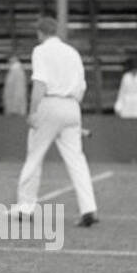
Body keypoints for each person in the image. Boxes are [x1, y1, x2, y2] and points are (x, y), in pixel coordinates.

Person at [11, 17, 98, 227]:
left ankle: (25, 207)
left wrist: (33, 112)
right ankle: (89, 208)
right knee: (77, 160)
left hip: (49, 104)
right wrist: (70, 110)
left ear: (40, 33)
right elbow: (81, 87)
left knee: (35, 156)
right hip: (71, 106)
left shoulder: (40, 51)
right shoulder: (72, 52)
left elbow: (40, 83)